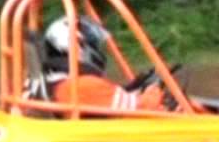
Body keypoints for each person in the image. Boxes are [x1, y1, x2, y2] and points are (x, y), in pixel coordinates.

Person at [32, 15, 169, 111]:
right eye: (93, 45)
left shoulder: (59, 82)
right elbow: (144, 108)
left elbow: (116, 100)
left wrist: (136, 87)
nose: (97, 50)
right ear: (76, 45)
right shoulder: (82, 85)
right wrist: (154, 89)